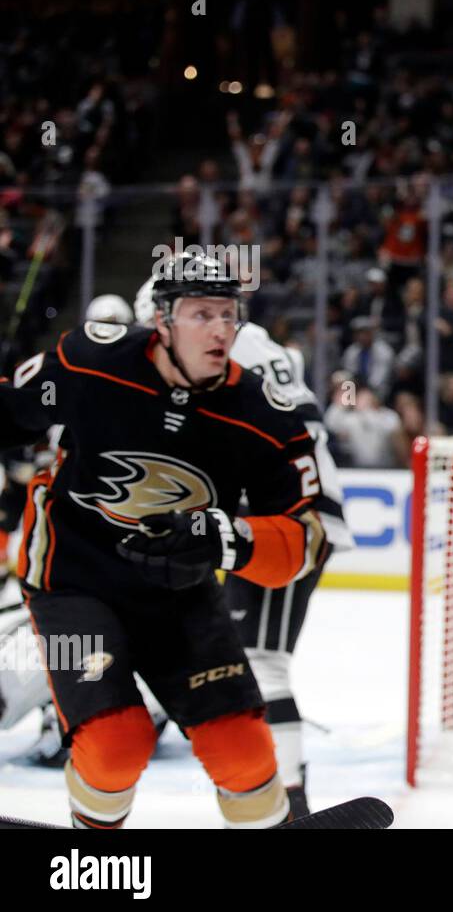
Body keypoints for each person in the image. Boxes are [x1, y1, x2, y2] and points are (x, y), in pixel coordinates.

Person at [0, 256, 328, 828]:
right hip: (73, 583)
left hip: (181, 597)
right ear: (163, 321)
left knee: (245, 752)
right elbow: (9, 413)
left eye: (229, 314)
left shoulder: (260, 411)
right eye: (203, 314)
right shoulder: (92, 363)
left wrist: (228, 538)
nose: (222, 329)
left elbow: (304, 540)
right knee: (116, 743)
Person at [135, 273, 354, 817]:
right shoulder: (251, 342)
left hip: (287, 516)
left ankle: (293, 805)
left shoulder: (230, 350)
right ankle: (277, 797)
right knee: (248, 660)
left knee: (264, 662)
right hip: (262, 518)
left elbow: (281, 432)